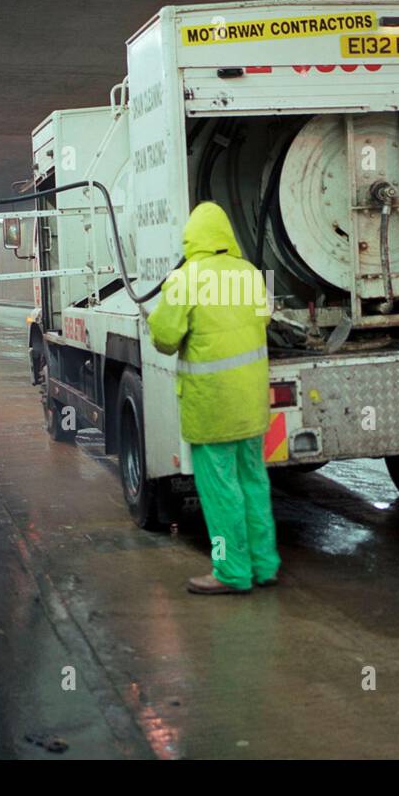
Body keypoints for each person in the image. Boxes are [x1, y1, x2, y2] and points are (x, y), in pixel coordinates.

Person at [147, 202, 281, 595]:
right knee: (254, 484)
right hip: (251, 405)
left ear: (192, 238)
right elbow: (265, 319)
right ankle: (264, 563)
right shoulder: (253, 276)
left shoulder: (185, 280)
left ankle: (231, 571)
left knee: (221, 493)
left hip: (212, 408)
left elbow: (165, 339)